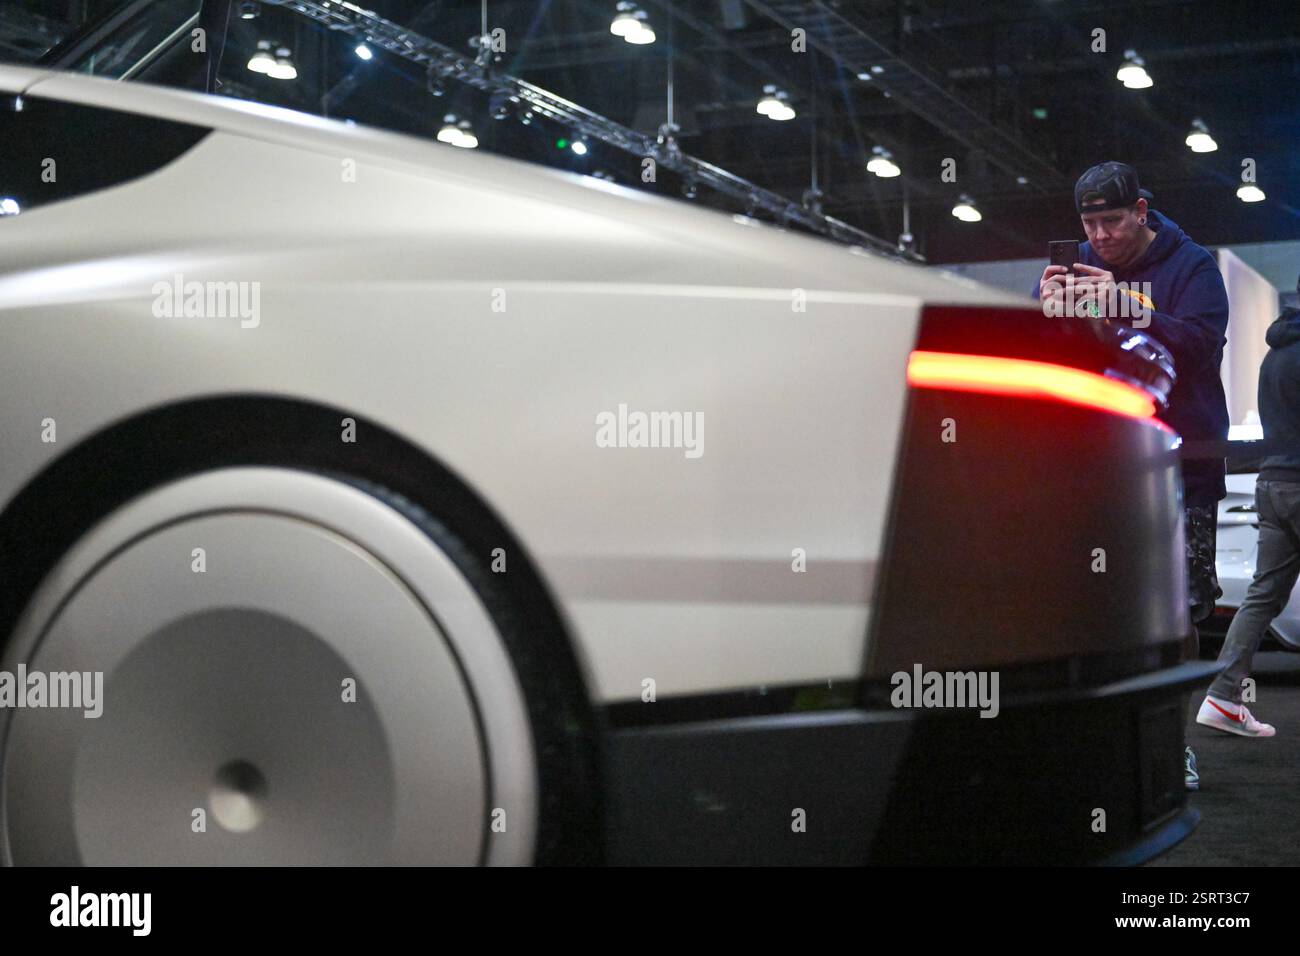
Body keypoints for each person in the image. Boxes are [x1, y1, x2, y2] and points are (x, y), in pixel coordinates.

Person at [1035, 161, 1231, 790]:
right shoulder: (1083, 270)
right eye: (1089, 224)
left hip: (1182, 461)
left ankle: (1173, 746)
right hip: (1098, 463)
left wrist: (1127, 303)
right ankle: (1100, 745)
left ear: (1141, 211)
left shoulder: (1192, 265)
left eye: (1112, 220)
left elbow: (1201, 344)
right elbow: (1068, 363)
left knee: (1180, 617)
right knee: (1096, 610)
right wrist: (1052, 315)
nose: (1101, 236)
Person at [1196, 281, 1300, 737]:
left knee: (1264, 595)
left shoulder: (1276, 353)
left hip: (1272, 482)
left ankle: (1222, 696)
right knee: (1265, 594)